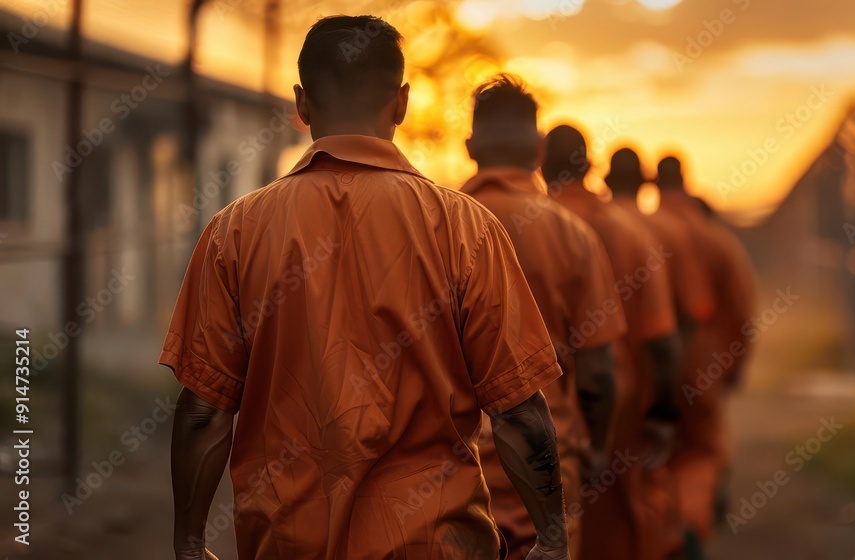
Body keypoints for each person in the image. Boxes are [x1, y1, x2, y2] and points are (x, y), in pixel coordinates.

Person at [162, 16, 569, 560]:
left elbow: (204, 412)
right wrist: (553, 538)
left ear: (301, 103)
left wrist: (188, 542)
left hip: (283, 544)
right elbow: (519, 409)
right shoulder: (464, 229)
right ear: (401, 103)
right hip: (432, 543)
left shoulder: (234, 232)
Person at [459, 75, 625, 560]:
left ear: (470, 145)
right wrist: (596, 448)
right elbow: (598, 370)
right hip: (545, 477)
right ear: (537, 146)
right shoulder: (572, 235)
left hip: (447, 480)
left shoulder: (430, 229)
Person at [542, 125, 684, 560]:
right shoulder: (630, 233)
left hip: (535, 420)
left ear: (540, 164)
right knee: (619, 528)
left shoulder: (519, 228)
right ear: (590, 168)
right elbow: (662, 342)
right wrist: (664, 412)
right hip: (615, 412)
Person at [604, 147, 720, 556]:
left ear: (603, 179)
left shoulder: (584, 225)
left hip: (600, 386)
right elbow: (692, 315)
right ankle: (680, 533)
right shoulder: (670, 231)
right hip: (662, 377)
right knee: (677, 465)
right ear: (645, 181)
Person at [654, 155, 756, 553]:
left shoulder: (640, 231)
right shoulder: (717, 240)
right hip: (704, 370)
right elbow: (742, 312)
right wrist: (735, 367)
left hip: (651, 367)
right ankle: (691, 523)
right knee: (699, 452)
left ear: (652, 183)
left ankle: (656, 535)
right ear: (686, 180)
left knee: (649, 456)